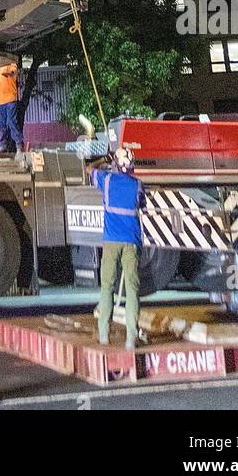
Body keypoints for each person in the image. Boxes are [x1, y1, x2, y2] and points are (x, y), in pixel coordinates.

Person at [92, 146, 147, 350]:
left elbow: (89, 168)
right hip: (131, 242)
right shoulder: (138, 185)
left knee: (107, 286)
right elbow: (142, 205)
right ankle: (131, 338)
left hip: (111, 241)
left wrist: (103, 159)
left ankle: (104, 335)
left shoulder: (106, 180)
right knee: (132, 289)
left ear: (115, 163)